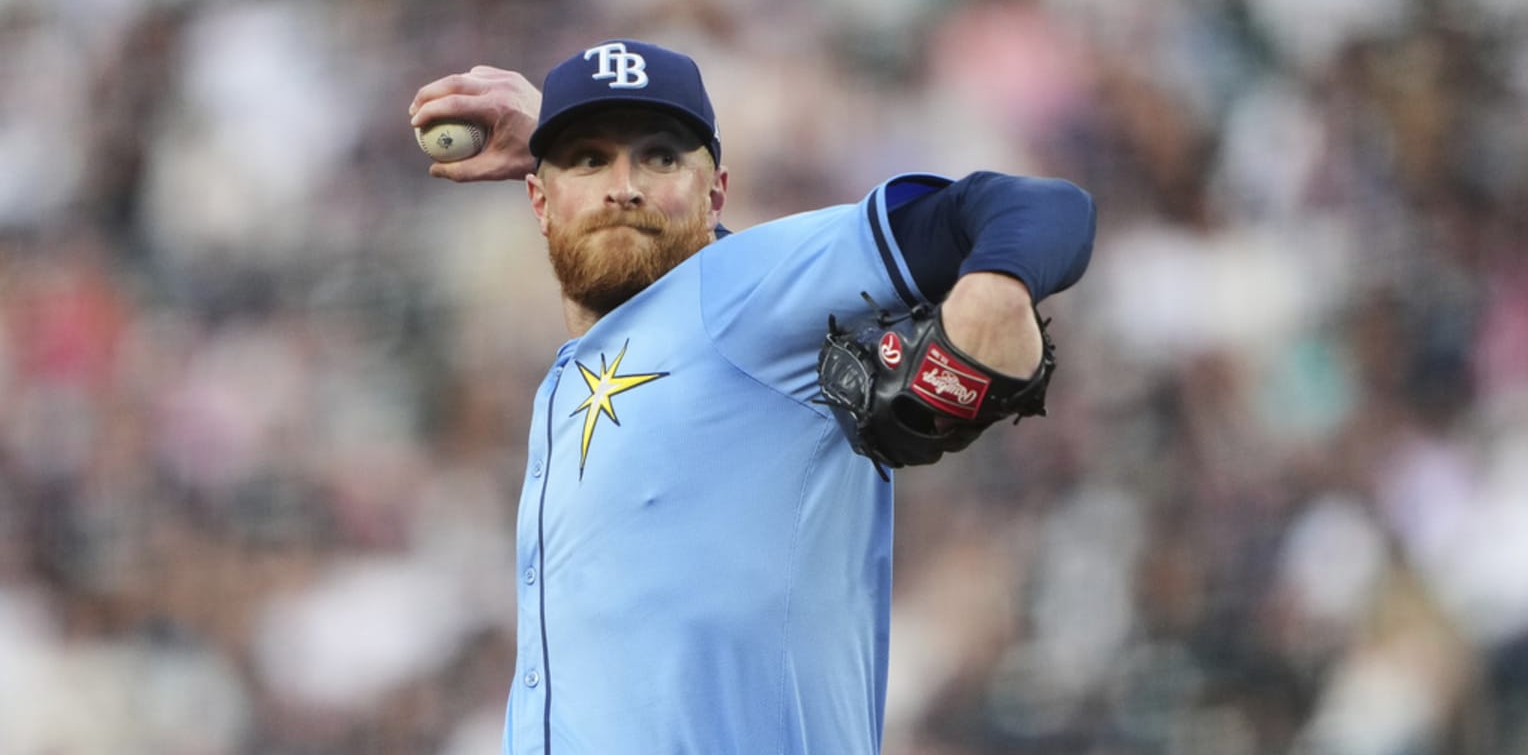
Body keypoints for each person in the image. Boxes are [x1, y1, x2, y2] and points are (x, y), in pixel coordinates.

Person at [408, 39, 1096, 755]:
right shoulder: (586, 366)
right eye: (589, 158)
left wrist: (992, 291)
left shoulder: (745, 293)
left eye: (661, 157)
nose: (624, 185)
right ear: (538, 201)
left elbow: (1040, 207)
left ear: (716, 195)